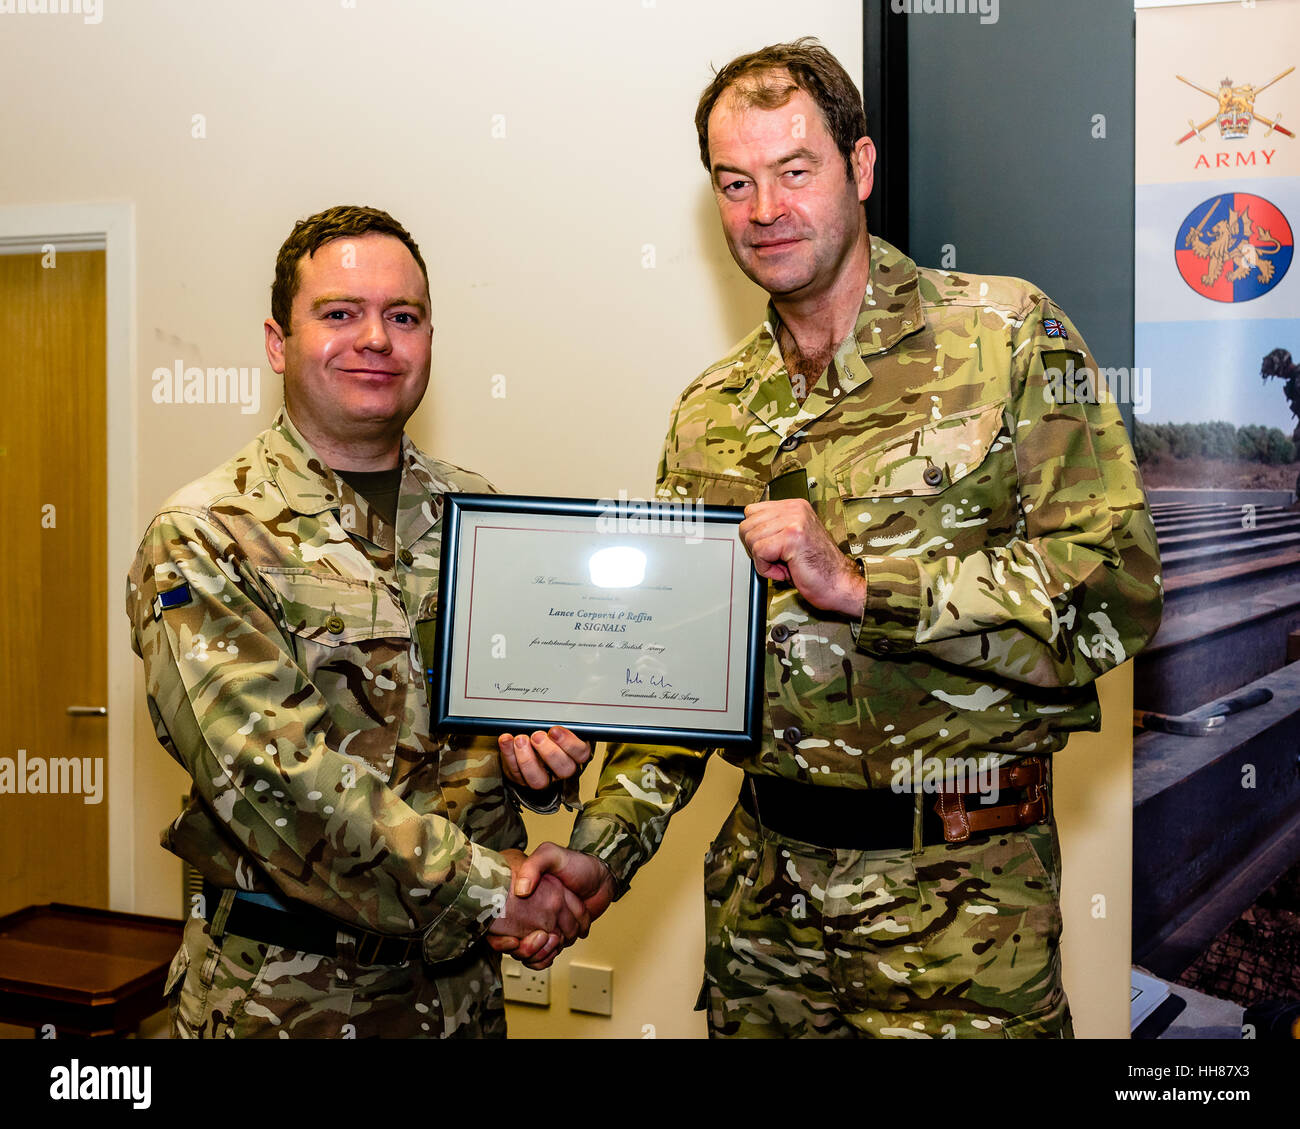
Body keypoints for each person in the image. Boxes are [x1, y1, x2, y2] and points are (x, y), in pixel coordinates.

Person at [508, 39, 1163, 1038]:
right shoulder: (710, 413)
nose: (765, 207)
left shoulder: (1006, 336)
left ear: (858, 169)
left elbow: (1114, 594)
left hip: (960, 920)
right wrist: (600, 848)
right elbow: (680, 684)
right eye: (736, 182)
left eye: (793, 170)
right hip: (761, 920)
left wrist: (866, 585)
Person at [127, 205, 593, 1039]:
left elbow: (512, 718)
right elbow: (277, 782)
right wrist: (498, 891)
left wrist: (543, 766)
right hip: (287, 999)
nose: (375, 338)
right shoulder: (204, 533)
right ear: (278, 342)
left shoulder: (482, 516)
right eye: (340, 313)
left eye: (402, 316)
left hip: (462, 998)